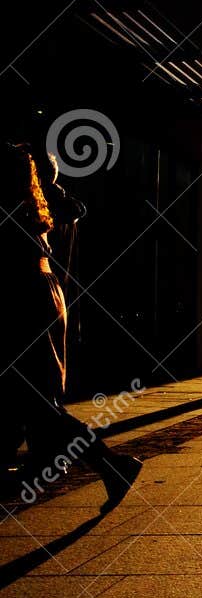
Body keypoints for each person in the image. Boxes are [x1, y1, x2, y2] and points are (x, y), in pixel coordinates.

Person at [0, 142, 141, 511]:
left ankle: (113, 465)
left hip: (25, 299)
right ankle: (109, 468)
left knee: (36, 402)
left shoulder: (13, 209)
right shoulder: (31, 208)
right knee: (32, 402)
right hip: (41, 294)